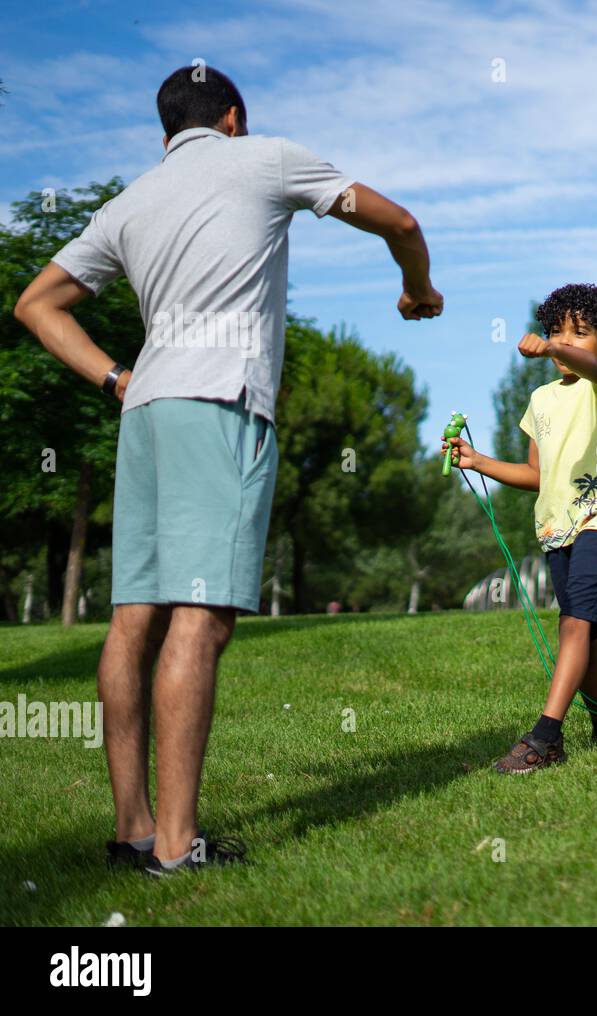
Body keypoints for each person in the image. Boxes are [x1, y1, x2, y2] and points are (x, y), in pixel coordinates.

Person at [14, 66, 443, 874]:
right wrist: (417, 289)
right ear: (234, 118)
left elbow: (36, 304)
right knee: (202, 617)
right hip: (222, 402)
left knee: (133, 617)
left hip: (146, 412)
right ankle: (177, 850)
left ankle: (134, 830)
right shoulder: (268, 158)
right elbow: (401, 221)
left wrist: (117, 378)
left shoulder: (129, 201)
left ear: (166, 131)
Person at [443, 283, 597, 773]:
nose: (565, 343)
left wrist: (553, 347)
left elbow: (589, 368)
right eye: (555, 332)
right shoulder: (540, 400)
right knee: (587, 639)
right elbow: (536, 476)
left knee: (575, 625)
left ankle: (546, 736)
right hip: (554, 528)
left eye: (580, 333)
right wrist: (478, 460)